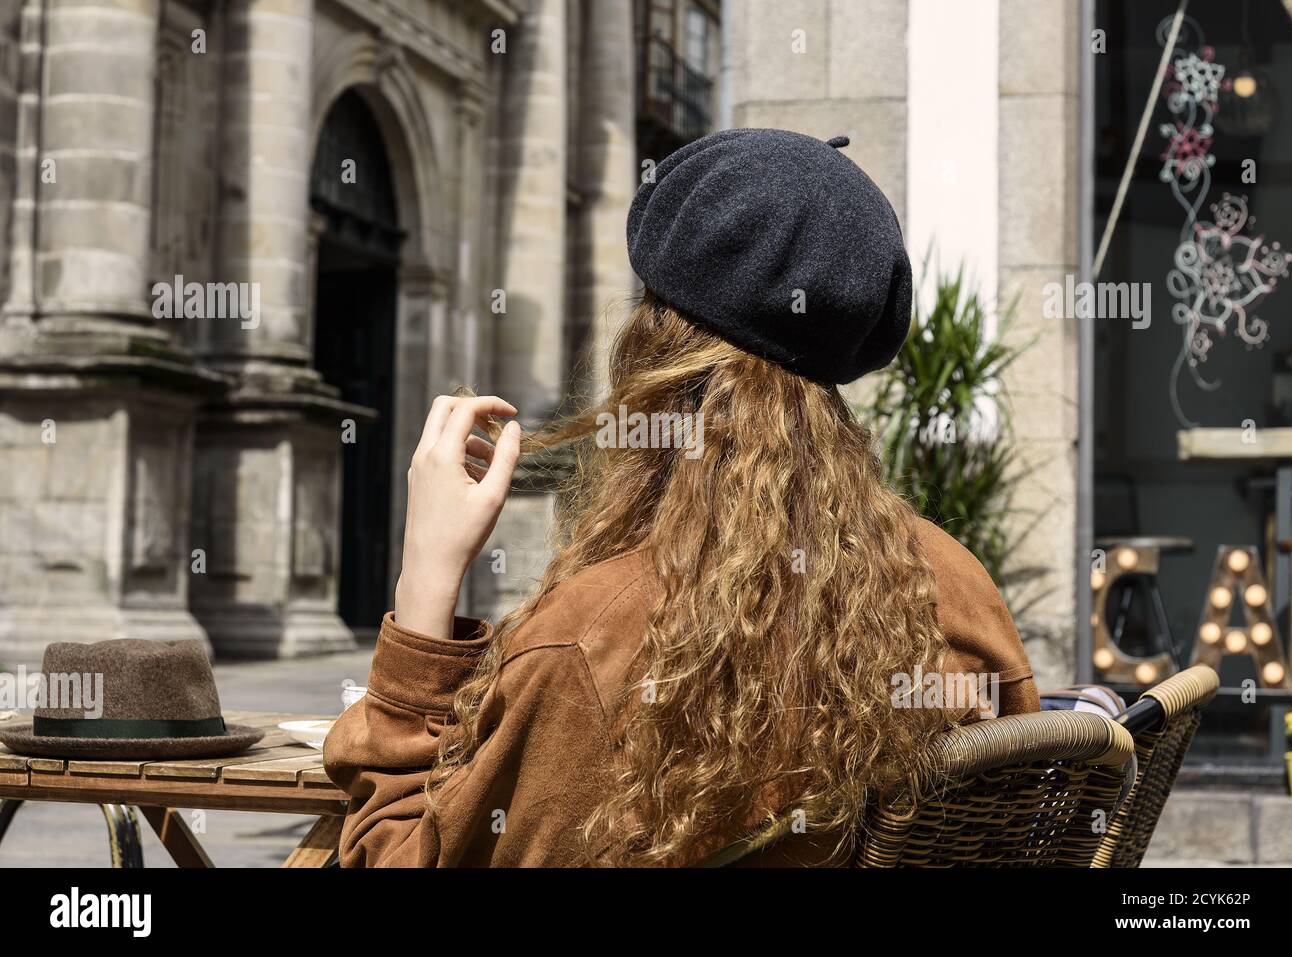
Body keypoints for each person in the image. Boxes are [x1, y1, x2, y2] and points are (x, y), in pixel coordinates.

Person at [323, 129, 1038, 867]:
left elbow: (396, 854)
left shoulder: (585, 642)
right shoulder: (960, 591)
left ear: (652, 348)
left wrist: (425, 585)